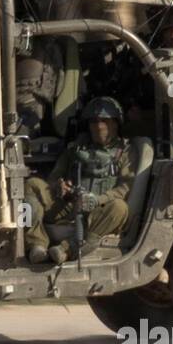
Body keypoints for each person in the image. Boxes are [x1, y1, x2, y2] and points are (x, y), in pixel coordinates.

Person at [22, 96, 133, 264]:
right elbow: (55, 174)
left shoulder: (125, 152)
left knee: (119, 208)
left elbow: (124, 188)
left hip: (99, 209)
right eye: (94, 121)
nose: (99, 126)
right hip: (69, 203)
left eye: (105, 120)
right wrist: (59, 185)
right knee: (32, 185)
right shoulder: (77, 147)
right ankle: (36, 244)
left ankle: (68, 249)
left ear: (116, 123)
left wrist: (96, 200)